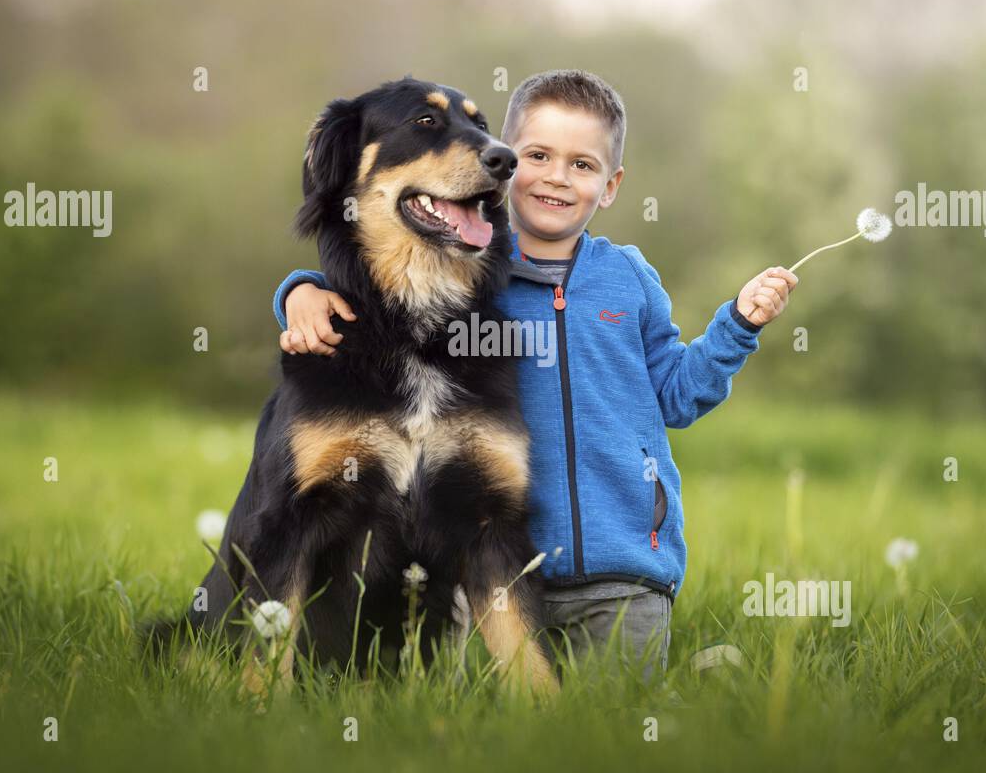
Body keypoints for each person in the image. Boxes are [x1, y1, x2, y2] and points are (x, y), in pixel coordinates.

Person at [274, 69, 797, 682]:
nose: (556, 176)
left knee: (618, 706)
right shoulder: (471, 267)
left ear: (610, 186)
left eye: (582, 165)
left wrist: (736, 326)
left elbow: (676, 396)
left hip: (621, 564)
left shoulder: (626, 280)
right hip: (504, 567)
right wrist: (299, 291)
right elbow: (383, 297)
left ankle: (703, 680)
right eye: (537, 156)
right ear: (508, 166)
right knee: (489, 705)